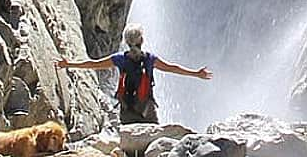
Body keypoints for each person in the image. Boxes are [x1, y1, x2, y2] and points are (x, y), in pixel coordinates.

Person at [55, 24, 212, 124]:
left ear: (127, 41)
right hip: (147, 108)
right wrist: (196, 73)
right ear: (141, 40)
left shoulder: (120, 59)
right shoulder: (150, 59)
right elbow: (173, 68)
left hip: (127, 108)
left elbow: (93, 64)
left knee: (131, 149)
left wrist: (68, 64)